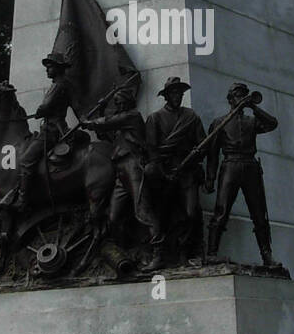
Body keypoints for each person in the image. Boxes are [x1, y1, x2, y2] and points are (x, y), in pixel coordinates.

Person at [81, 85, 165, 270]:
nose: (117, 105)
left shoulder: (132, 116)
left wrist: (88, 121)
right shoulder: (122, 125)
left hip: (133, 166)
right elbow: (105, 133)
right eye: (116, 102)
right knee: (113, 216)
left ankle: (159, 253)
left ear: (128, 102)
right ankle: (129, 249)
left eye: (119, 102)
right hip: (119, 170)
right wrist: (101, 111)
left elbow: (106, 123)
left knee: (143, 212)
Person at [205, 83, 280, 268]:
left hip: (250, 165)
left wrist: (253, 106)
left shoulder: (251, 121)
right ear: (230, 100)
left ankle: (267, 255)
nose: (240, 99)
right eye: (237, 96)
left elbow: (272, 124)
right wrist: (210, 177)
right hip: (230, 165)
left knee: (259, 213)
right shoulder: (219, 122)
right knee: (221, 211)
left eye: (243, 96)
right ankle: (211, 253)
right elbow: (212, 153)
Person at [145, 76, 206, 261]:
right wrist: (163, 173)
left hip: (187, 170)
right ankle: (159, 253)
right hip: (164, 172)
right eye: (173, 92)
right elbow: (151, 149)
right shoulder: (155, 118)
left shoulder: (191, 116)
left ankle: (185, 249)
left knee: (191, 212)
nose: (177, 96)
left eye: (180, 93)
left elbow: (202, 143)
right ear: (166, 96)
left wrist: (197, 153)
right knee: (160, 214)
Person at [13, 52, 76, 211]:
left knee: (26, 160)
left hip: (51, 130)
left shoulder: (58, 85)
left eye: (50, 67)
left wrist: (40, 111)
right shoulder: (63, 83)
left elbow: (46, 106)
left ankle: (23, 200)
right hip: (56, 127)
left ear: (58, 68)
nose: (47, 70)